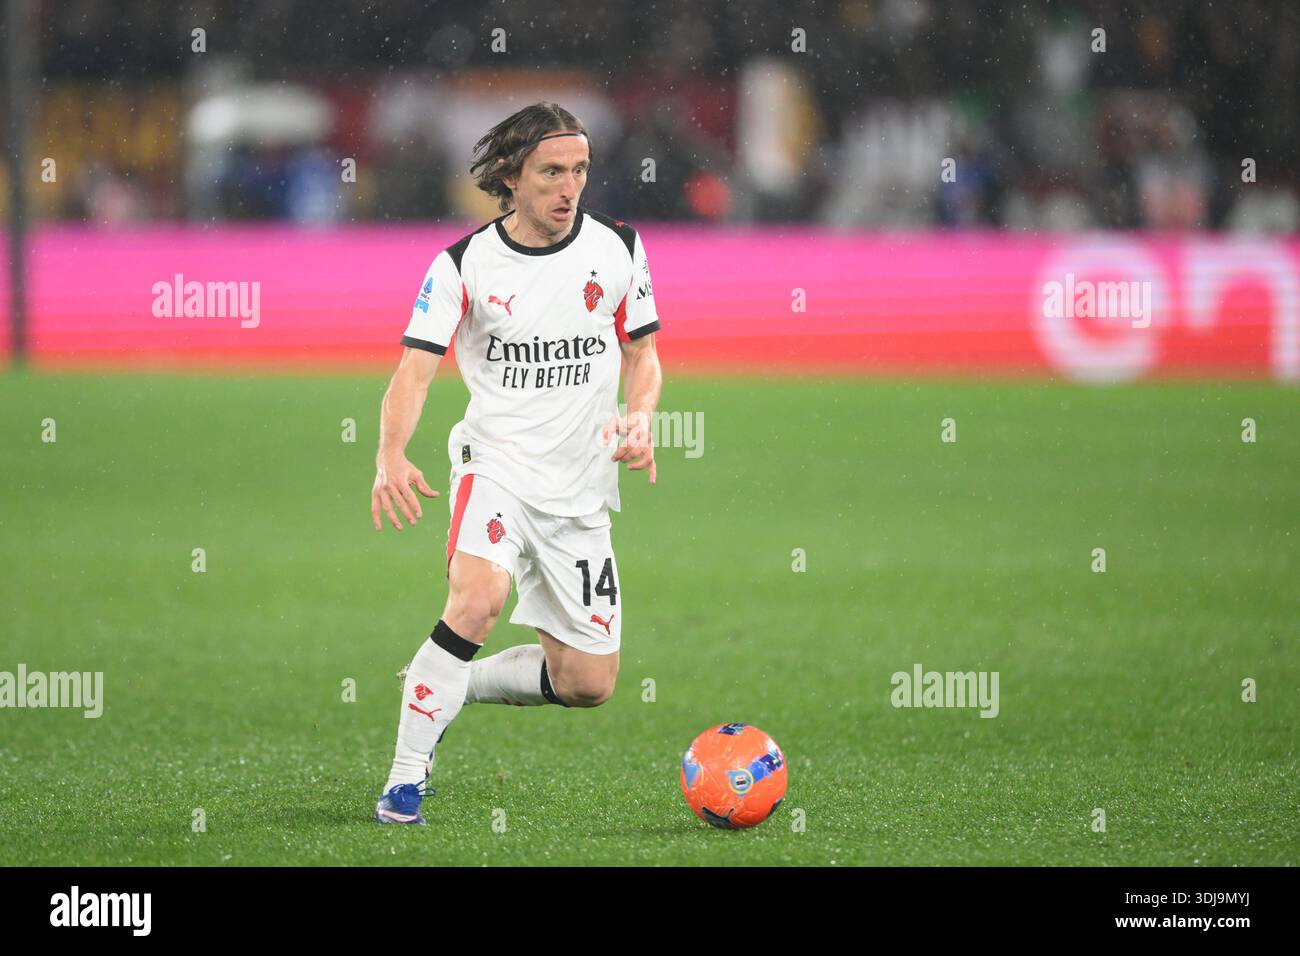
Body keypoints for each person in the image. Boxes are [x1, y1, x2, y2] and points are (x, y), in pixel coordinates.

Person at [370, 102, 663, 824]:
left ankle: (451, 683)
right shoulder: (464, 265)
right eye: (552, 172)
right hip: (493, 466)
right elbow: (414, 370)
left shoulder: (618, 248)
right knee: (477, 601)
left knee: (588, 682)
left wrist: (641, 417)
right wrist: (390, 454)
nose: (570, 188)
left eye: (580, 170)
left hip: (580, 490)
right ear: (511, 176)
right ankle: (406, 777)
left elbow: (643, 354)